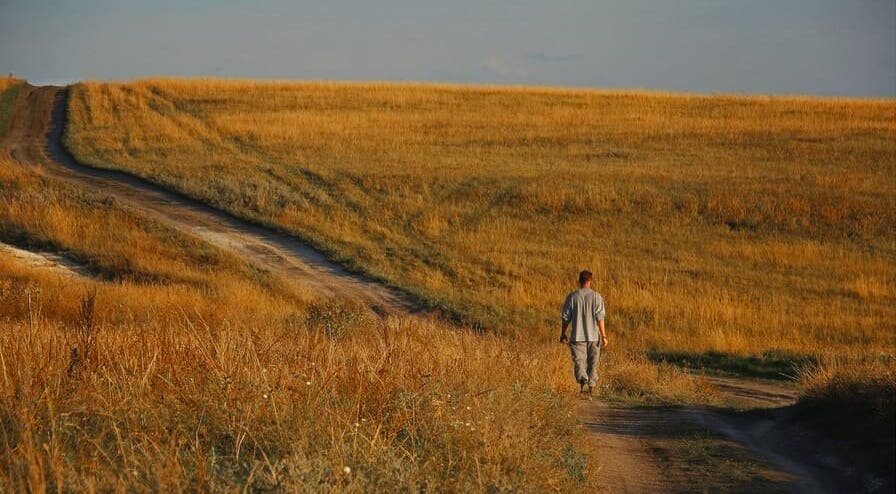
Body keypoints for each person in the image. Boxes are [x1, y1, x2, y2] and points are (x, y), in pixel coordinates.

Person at [560, 270, 607, 398]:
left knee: (579, 361)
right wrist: (604, 336)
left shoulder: (572, 297)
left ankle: (583, 381)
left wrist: (562, 333)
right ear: (590, 281)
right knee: (593, 362)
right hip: (593, 335)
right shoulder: (597, 297)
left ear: (579, 280)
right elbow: (600, 318)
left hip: (577, 335)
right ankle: (591, 385)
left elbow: (565, 318)